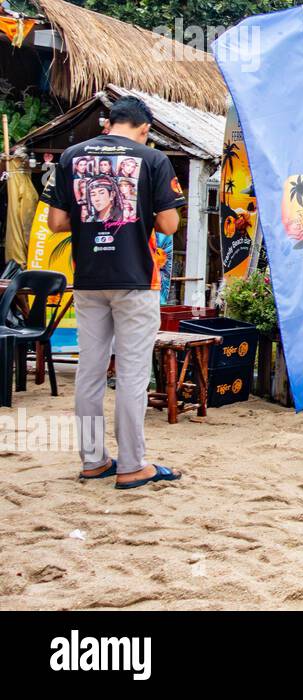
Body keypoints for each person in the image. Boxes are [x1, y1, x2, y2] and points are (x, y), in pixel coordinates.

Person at [44, 96, 187, 490]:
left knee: (89, 373)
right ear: (145, 129)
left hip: (88, 279)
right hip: (136, 280)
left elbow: (56, 221)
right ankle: (131, 465)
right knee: (131, 375)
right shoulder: (152, 159)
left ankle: (93, 461)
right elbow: (170, 225)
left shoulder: (71, 156)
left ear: (108, 123)